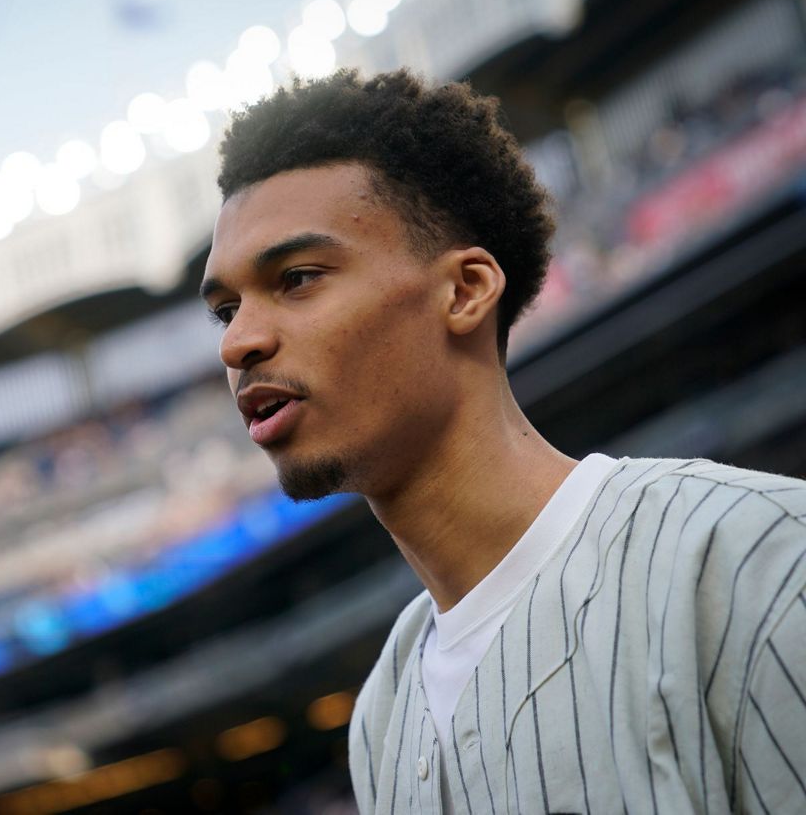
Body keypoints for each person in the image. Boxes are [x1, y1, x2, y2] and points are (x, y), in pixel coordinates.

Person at [199, 69, 806, 813]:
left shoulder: (759, 558)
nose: (239, 343)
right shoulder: (383, 715)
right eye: (224, 309)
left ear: (464, 291)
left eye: (296, 278)